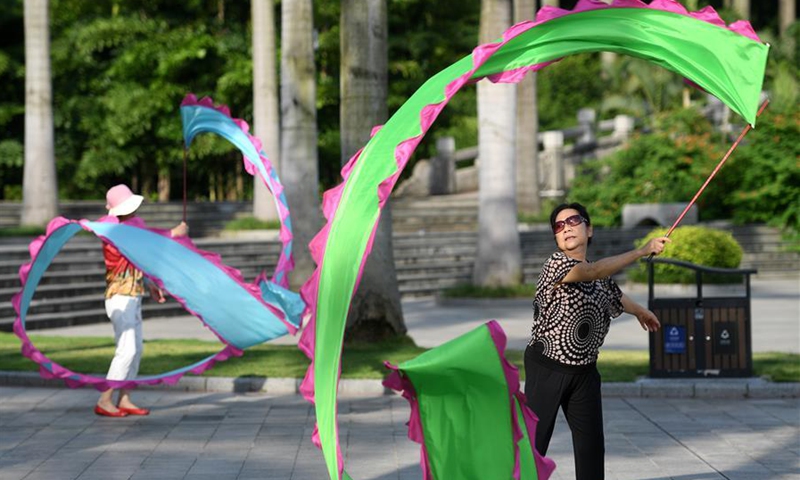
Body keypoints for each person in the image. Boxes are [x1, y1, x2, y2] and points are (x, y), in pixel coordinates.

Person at [525, 202, 670, 480]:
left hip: (585, 372)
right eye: (559, 226)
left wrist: (640, 311)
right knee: (534, 445)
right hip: (547, 368)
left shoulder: (599, 275)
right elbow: (593, 273)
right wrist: (641, 251)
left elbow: (615, 294)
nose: (566, 228)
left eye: (573, 221)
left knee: (591, 448)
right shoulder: (556, 264)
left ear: (589, 229)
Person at [94, 184, 188, 417]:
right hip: (120, 298)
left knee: (136, 350)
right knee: (127, 350)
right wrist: (174, 233)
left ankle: (124, 398)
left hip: (133, 296)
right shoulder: (113, 231)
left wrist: (149, 284)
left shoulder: (129, 229)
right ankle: (105, 399)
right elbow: (144, 243)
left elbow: (136, 260)